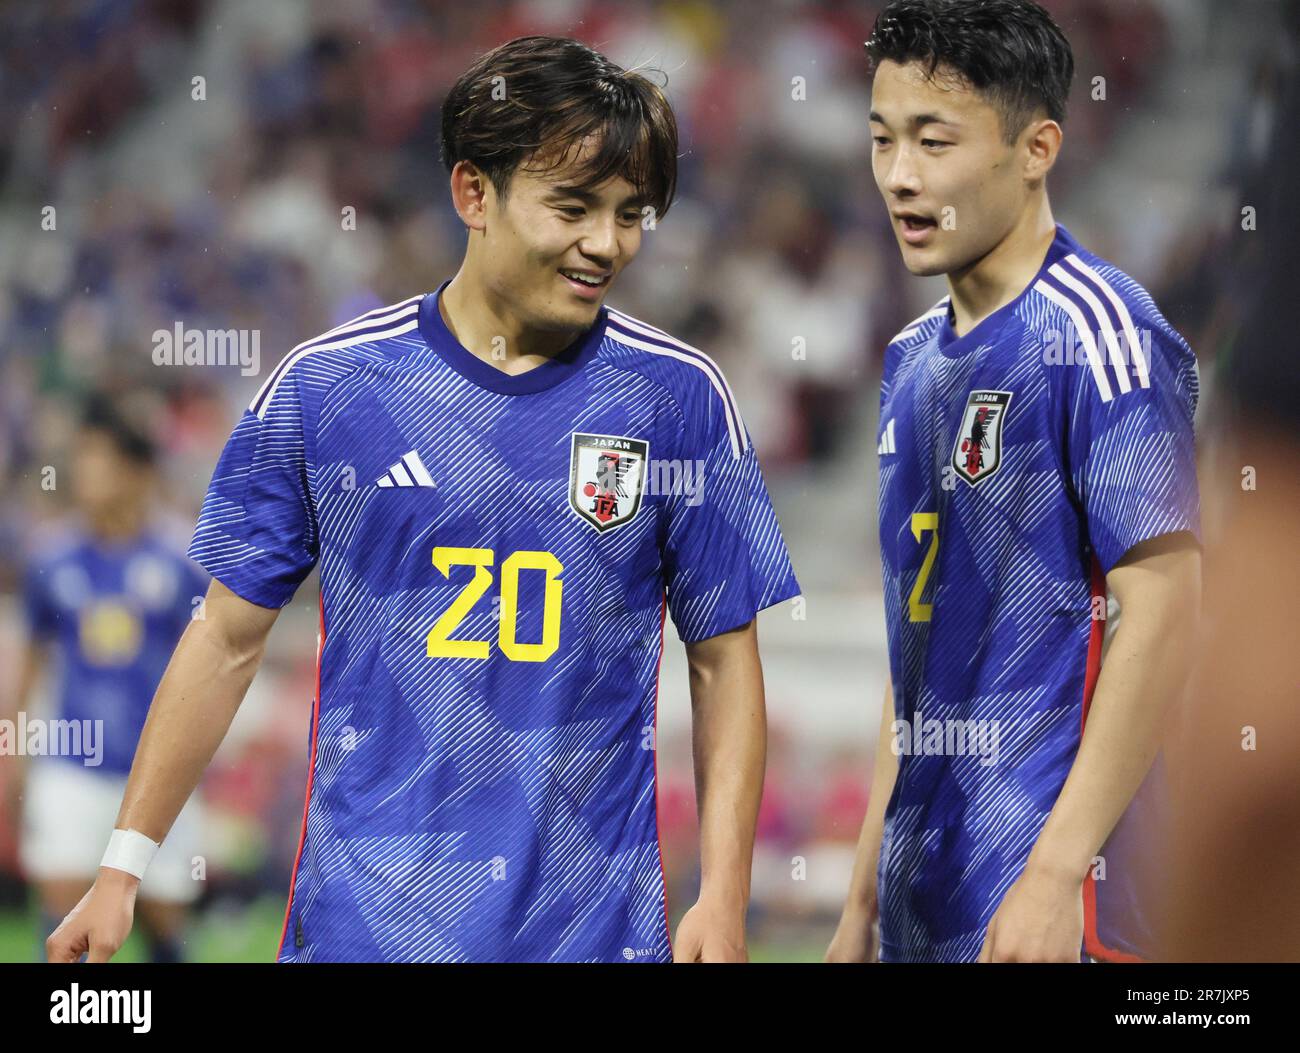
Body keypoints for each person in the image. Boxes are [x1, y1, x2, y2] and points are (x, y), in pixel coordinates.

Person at [46, 35, 800, 964]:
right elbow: (225, 639)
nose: (608, 243)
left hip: (589, 937)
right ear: (473, 194)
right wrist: (123, 868)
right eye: (573, 207)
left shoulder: (679, 400)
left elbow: (724, 661)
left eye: (630, 213)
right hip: (363, 932)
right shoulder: (328, 389)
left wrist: (724, 897)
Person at [828, 0, 1200, 963]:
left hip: (1058, 915)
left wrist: (1055, 874)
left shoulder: (1103, 334)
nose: (899, 176)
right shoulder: (910, 363)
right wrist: (862, 904)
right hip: (924, 909)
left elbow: (1163, 607)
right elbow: (915, 657)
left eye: (934, 141)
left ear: (1037, 149)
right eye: (883, 139)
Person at [8, 395, 207, 962]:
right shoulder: (51, 558)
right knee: (63, 913)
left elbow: (206, 665)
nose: (84, 473)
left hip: (154, 767)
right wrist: (11, 752)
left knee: (163, 918)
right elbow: (31, 660)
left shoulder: (180, 562)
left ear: (137, 472)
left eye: (100, 460)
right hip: (72, 763)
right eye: (81, 459)